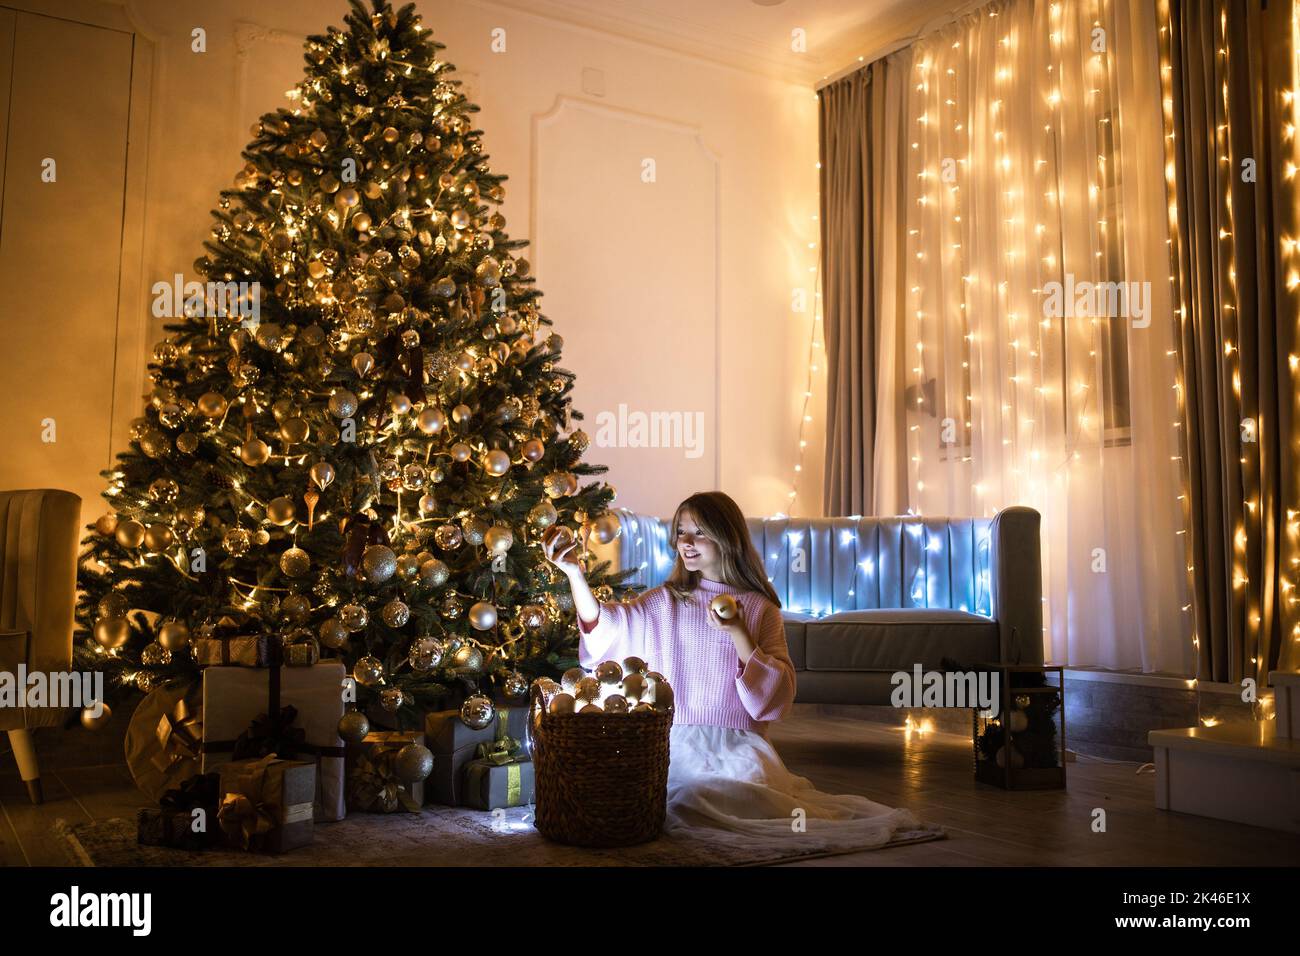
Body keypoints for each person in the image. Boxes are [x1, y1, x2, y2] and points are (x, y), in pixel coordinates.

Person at [541, 490, 933, 853]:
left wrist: (737, 632)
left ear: (726, 538)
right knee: (670, 799)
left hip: (737, 749)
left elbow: (774, 698)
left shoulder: (760, 608)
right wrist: (575, 573)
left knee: (711, 800)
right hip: (674, 746)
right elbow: (605, 629)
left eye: (699, 533)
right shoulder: (664, 601)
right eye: (680, 532)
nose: (686, 542)